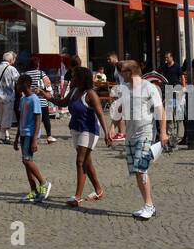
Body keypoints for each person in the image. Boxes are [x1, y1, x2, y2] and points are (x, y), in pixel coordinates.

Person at [53, 65, 114, 205]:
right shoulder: (74, 91)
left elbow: (100, 113)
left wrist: (106, 134)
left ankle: (77, 197)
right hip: (76, 129)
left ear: (81, 79)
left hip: (89, 130)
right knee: (87, 162)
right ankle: (99, 191)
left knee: (80, 161)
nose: (72, 78)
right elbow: (63, 103)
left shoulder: (90, 94)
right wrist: (48, 97)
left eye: (74, 76)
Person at [113, 60, 165, 220]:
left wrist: (163, 133)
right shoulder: (126, 89)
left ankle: (149, 206)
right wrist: (112, 126)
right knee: (137, 170)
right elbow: (119, 109)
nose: (120, 74)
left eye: (123, 71)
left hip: (145, 133)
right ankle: (148, 205)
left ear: (131, 72)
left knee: (141, 168)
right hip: (130, 135)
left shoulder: (149, 87)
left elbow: (160, 110)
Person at [15, 74, 51, 203]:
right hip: (23, 134)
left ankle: (43, 183)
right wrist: (16, 138)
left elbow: (38, 120)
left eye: (18, 83)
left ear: (25, 84)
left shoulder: (34, 99)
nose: (17, 86)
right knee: (26, 163)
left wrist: (35, 138)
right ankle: (33, 190)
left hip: (31, 134)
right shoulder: (23, 99)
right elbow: (21, 120)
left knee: (27, 160)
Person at [0, 52, 20, 144]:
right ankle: (2, 137)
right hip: (9, 96)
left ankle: (6, 136)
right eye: (14, 59)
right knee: (7, 116)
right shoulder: (12, 69)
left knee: (2, 116)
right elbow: (19, 80)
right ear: (10, 60)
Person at [25, 62, 56, 143]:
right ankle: (49, 136)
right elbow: (48, 83)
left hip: (30, 100)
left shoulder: (25, 74)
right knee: (46, 119)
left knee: (31, 119)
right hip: (41, 100)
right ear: (37, 65)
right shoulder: (41, 73)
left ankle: (31, 136)